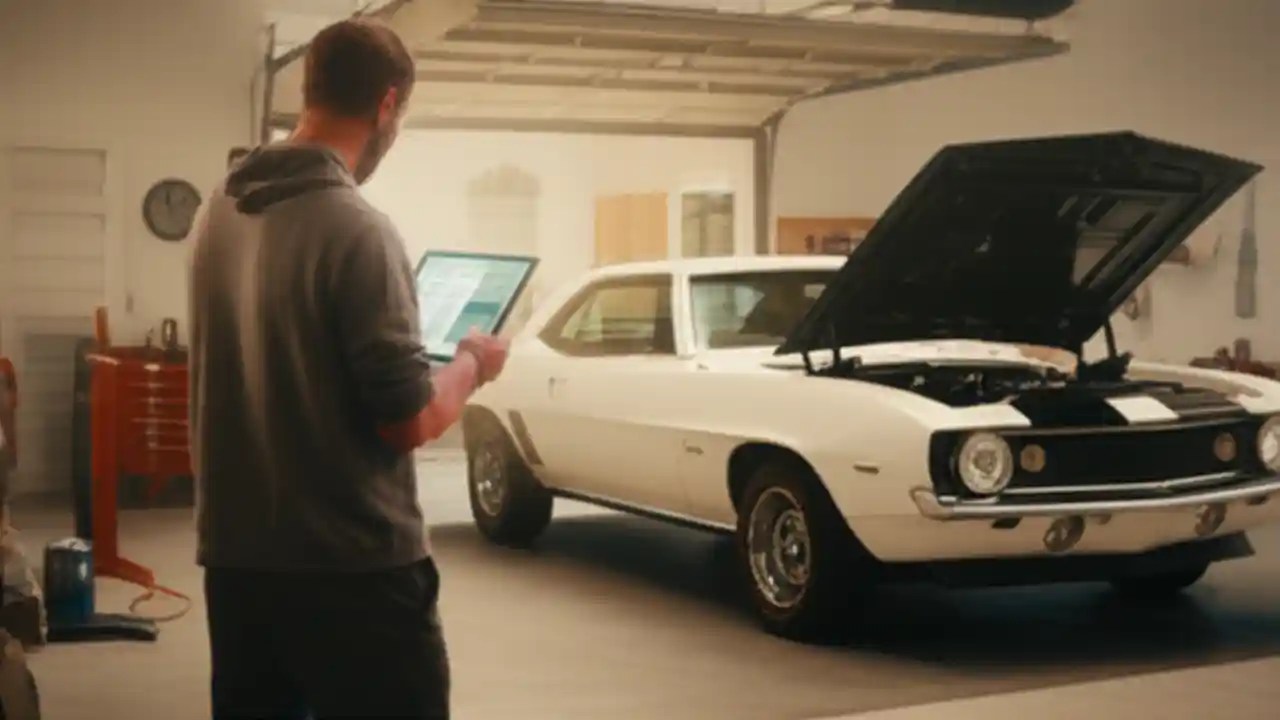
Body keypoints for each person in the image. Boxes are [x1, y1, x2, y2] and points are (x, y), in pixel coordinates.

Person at [187, 18, 507, 719]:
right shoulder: (358, 228)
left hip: (239, 568)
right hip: (353, 575)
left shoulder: (218, 209)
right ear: (388, 105)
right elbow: (406, 420)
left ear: (311, 89)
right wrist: (470, 364)